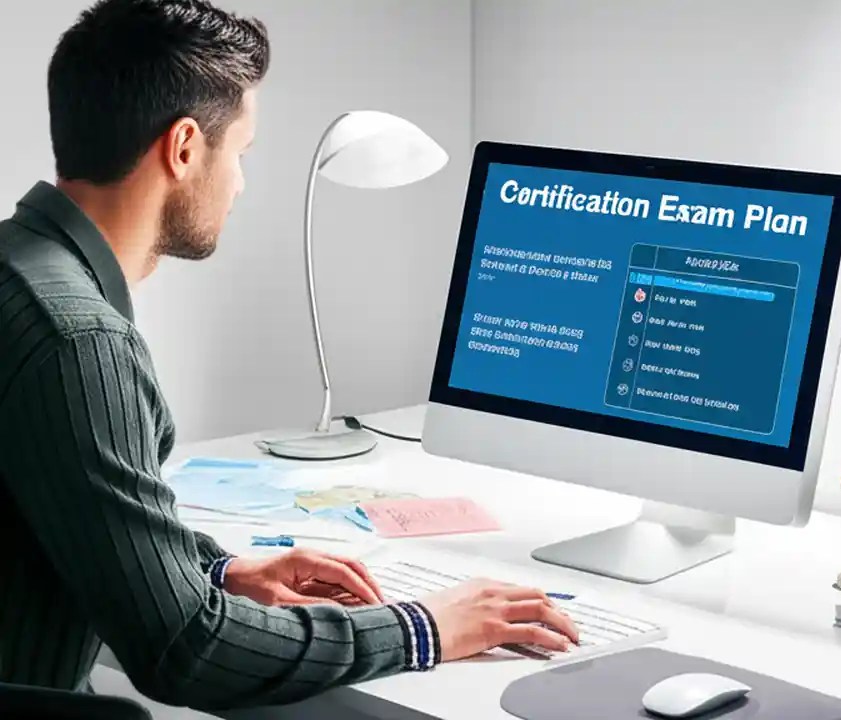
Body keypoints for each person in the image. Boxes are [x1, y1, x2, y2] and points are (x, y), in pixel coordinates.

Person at [0, 0, 577, 708]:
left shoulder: (17, 272)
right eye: (239, 153)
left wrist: (215, 571)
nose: (239, 182)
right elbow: (184, 648)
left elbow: (65, 518)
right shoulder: (80, 342)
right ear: (183, 148)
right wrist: (425, 627)